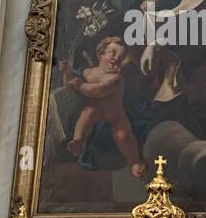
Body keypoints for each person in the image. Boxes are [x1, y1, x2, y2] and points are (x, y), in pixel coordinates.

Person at [59, 36, 146, 179]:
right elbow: (70, 82)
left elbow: (96, 91)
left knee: (123, 136)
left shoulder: (116, 79)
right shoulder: (87, 72)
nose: (117, 58)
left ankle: (134, 162)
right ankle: (78, 142)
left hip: (116, 117)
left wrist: (80, 85)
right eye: (112, 53)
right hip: (97, 113)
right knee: (87, 112)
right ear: (100, 54)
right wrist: (66, 72)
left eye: (121, 56)